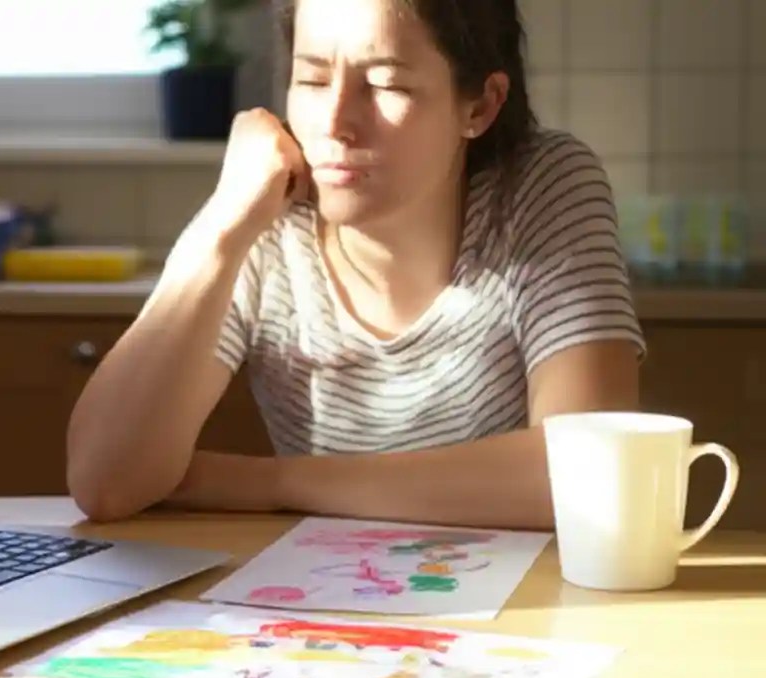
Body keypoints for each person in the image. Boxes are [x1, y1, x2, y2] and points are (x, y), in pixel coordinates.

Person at [66, 0, 645, 530]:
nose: (335, 122)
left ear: (481, 104)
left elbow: (589, 470)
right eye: (313, 78)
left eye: (386, 83)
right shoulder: (267, 220)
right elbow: (104, 481)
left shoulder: (543, 186)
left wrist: (269, 482)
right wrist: (221, 226)